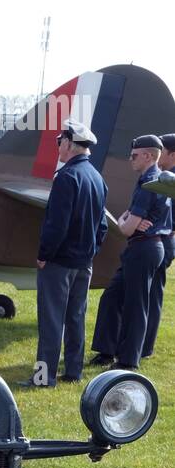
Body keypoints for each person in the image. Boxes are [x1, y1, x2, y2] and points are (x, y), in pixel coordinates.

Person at [21, 119, 108, 387]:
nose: (58, 146)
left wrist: (44, 253)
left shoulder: (67, 177)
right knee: (75, 318)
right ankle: (73, 371)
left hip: (59, 262)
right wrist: (89, 252)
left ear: (69, 143)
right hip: (84, 261)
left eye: (60, 141)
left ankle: (43, 378)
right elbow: (102, 226)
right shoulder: (97, 178)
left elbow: (57, 224)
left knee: (50, 322)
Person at [90, 135, 172, 370]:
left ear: (148, 156)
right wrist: (129, 219)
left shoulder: (150, 183)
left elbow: (125, 228)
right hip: (143, 246)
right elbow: (128, 219)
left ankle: (128, 360)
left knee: (136, 305)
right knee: (112, 297)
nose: (130, 159)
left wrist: (128, 220)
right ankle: (107, 351)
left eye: (134, 155)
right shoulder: (154, 179)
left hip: (144, 247)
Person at [142, 132, 175, 359]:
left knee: (151, 296)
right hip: (164, 239)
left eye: (162, 150)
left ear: (172, 155)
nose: (158, 154)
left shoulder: (168, 179)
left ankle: (144, 347)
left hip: (163, 240)